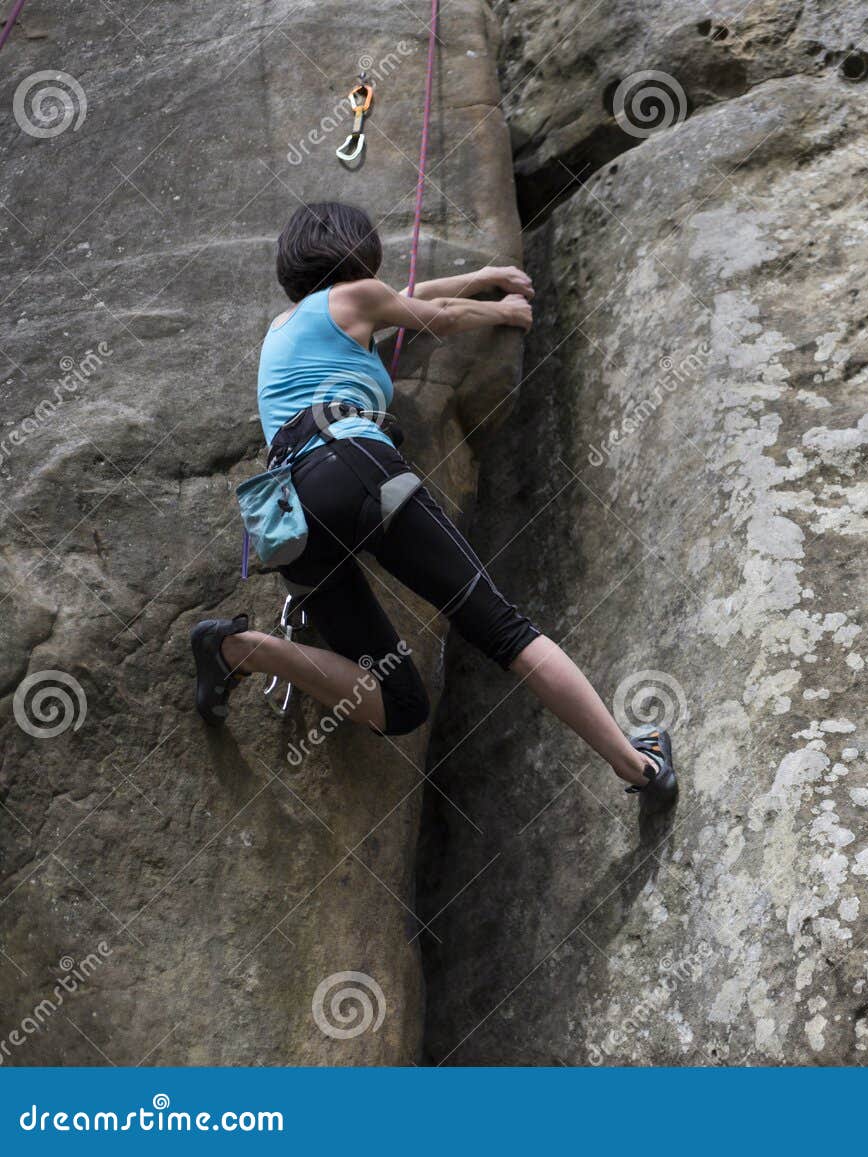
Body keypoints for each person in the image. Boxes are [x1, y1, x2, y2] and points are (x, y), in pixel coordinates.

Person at [190, 202, 676, 809]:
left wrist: (488, 272)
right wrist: (502, 309)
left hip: (291, 514)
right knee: (503, 630)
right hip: (351, 466)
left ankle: (237, 648)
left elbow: (404, 297)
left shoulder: (286, 328)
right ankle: (639, 765)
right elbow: (432, 314)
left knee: (397, 706)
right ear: (357, 250)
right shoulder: (355, 299)